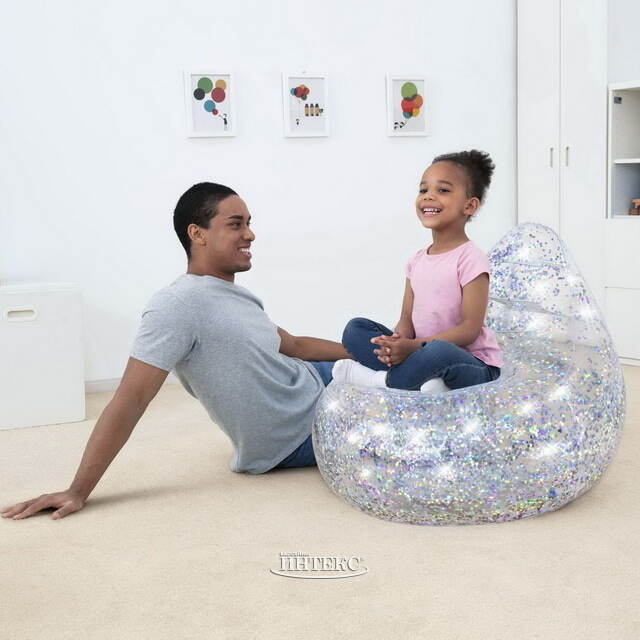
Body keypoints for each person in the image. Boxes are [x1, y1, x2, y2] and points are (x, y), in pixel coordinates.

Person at [1, 183, 351, 521]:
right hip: (300, 433)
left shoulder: (237, 296)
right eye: (235, 224)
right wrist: (77, 490)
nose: (250, 234)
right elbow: (131, 398)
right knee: (388, 409)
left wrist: (360, 354)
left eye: (248, 223)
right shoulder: (175, 306)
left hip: (316, 383)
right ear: (197, 233)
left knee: (377, 348)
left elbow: (293, 345)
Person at [333, 150, 503, 392]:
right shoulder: (416, 261)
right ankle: (422, 380)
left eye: (442, 190)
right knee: (355, 329)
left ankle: (381, 381)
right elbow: (406, 320)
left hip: (470, 364)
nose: (429, 196)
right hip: (419, 352)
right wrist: (397, 342)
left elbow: (469, 330)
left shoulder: (470, 258)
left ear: (469, 205)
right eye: (423, 190)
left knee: (437, 352)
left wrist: (415, 346)